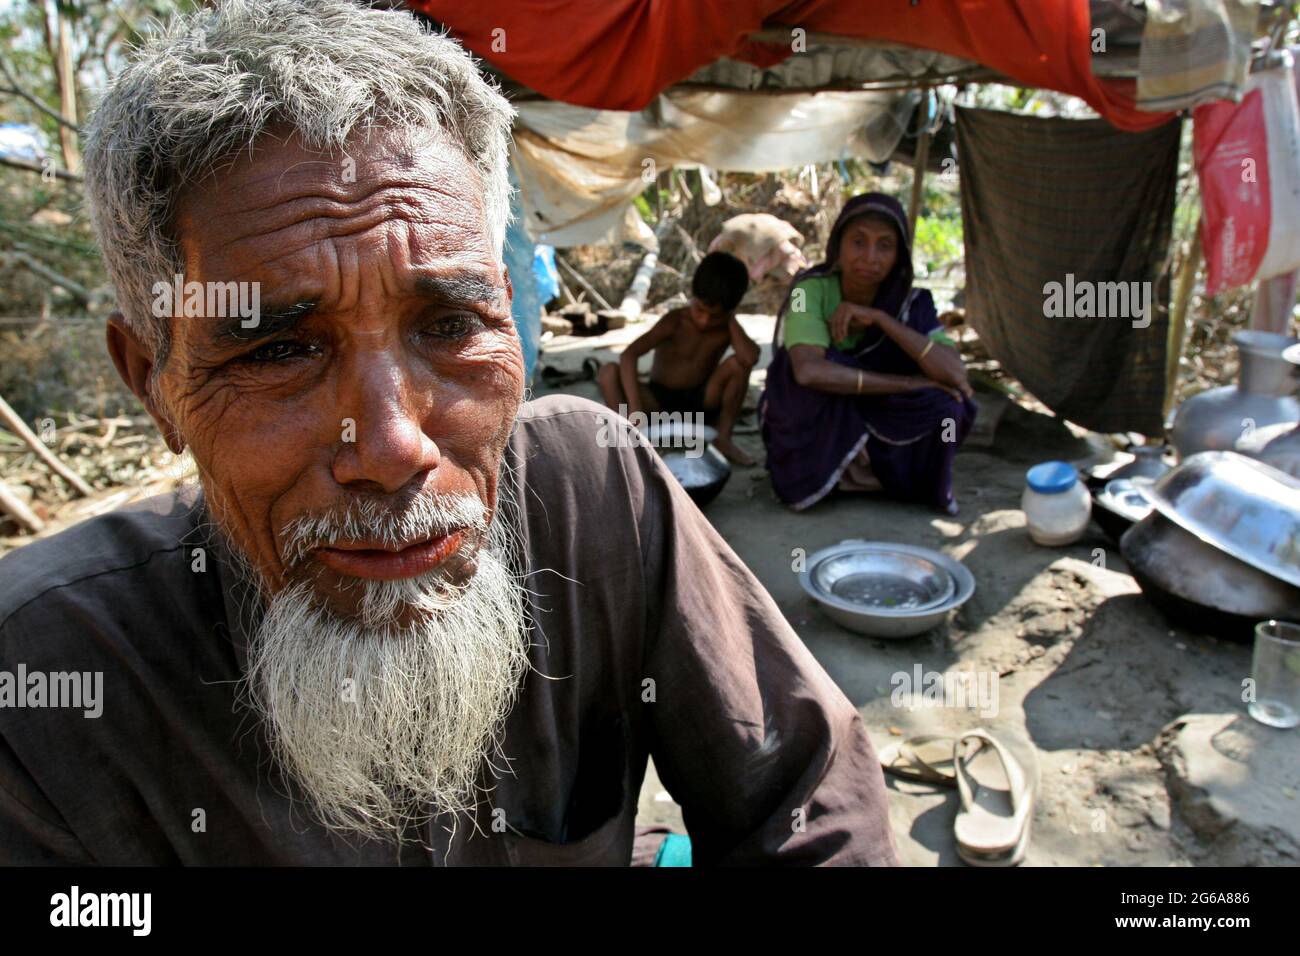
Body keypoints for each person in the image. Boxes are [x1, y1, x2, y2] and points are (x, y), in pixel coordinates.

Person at [0, 0, 896, 866]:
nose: (395, 449)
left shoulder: (598, 497)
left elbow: (804, 796)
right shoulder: (42, 690)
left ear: (508, 320)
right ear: (154, 383)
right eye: (280, 349)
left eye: (448, 326)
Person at [760, 193, 977, 514]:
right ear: (838, 245)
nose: (870, 257)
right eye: (858, 242)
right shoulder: (809, 291)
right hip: (831, 400)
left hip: (882, 406)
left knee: (950, 404)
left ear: (898, 256)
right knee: (796, 382)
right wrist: (907, 384)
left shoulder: (913, 303)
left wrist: (882, 320)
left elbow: (956, 376)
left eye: (884, 246)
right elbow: (810, 371)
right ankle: (822, 475)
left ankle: (900, 478)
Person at [597, 251, 759, 465]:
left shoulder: (727, 328)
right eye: (700, 309)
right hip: (657, 401)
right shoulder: (675, 321)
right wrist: (635, 409)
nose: (704, 320)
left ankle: (724, 439)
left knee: (738, 365)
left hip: (701, 403)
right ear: (693, 295)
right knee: (608, 372)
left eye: (715, 315)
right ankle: (629, 440)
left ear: (729, 311)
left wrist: (729, 320)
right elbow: (629, 355)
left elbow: (749, 359)